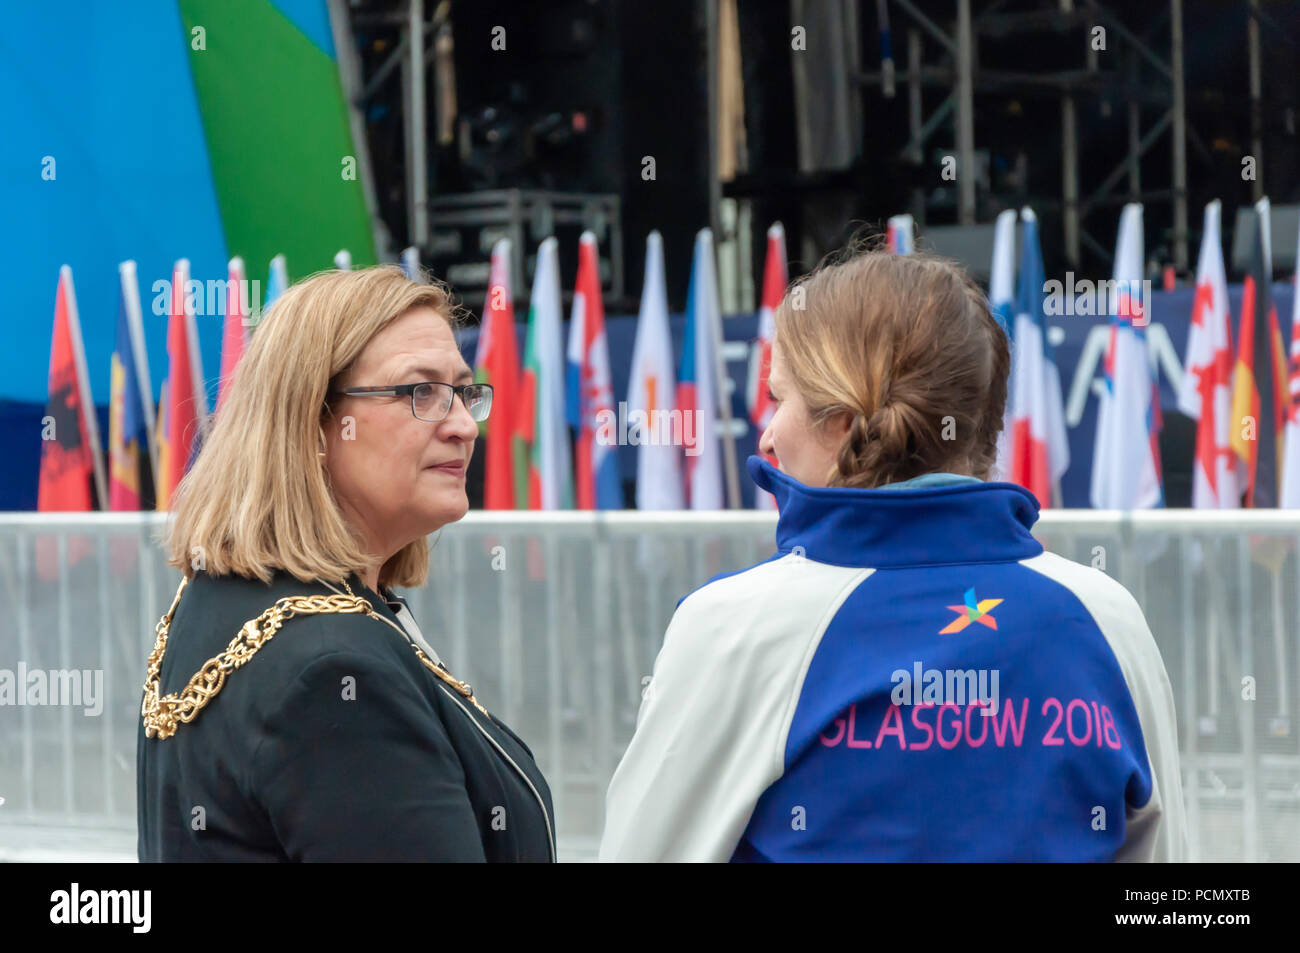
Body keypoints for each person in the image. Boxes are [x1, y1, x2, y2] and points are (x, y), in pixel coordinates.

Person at [599, 246, 1186, 862]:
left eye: (779, 399)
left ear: (844, 420)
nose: (766, 437)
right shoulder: (1108, 620)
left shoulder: (733, 628)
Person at [137, 265, 554, 862]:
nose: (463, 425)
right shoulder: (334, 673)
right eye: (420, 393)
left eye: (463, 392)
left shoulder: (217, 595)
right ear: (313, 422)